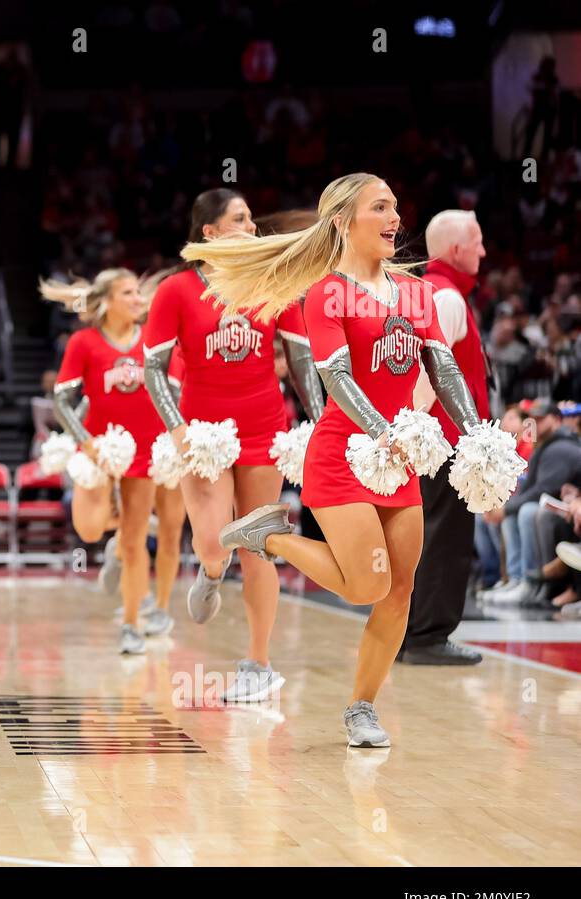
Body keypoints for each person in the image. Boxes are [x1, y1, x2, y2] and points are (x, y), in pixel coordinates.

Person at [191, 172, 488, 748]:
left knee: (401, 589)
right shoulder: (327, 292)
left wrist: (477, 433)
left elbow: (443, 369)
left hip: (396, 457)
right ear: (343, 223)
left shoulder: (417, 291)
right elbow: (336, 376)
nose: (395, 218)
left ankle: (361, 708)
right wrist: (382, 432)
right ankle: (266, 539)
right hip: (345, 454)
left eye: (396, 206)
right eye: (381, 207)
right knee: (365, 585)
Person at [143, 189, 324, 701]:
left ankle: (259, 663)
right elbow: (153, 368)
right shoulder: (177, 291)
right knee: (214, 541)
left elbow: (303, 360)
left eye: (249, 218)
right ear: (210, 233)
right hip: (204, 435)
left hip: (265, 426)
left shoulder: (274, 283)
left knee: (258, 544)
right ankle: (209, 569)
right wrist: (177, 425)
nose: (251, 227)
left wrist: (319, 421)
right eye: (239, 219)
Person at [42, 268, 167, 653]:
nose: (137, 298)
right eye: (127, 292)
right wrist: (86, 442)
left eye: (137, 292)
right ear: (107, 301)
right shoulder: (84, 342)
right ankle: (116, 527)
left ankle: (131, 625)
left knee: (134, 544)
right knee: (91, 530)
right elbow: (62, 400)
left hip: (144, 450)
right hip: (98, 449)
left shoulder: (152, 340)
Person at [399, 211, 490, 664]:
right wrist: (411, 430)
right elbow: (424, 373)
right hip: (445, 444)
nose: (484, 251)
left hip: (433, 442)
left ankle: (410, 633)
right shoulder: (447, 297)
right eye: (477, 242)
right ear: (455, 250)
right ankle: (428, 637)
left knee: (427, 537)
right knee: (445, 540)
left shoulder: (429, 292)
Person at [481, 400, 581, 606]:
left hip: (563, 507)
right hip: (565, 503)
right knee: (506, 515)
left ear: (556, 419)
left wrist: (506, 508)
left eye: (541, 418)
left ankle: (536, 582)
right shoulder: (544, 444)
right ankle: (515, 578)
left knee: (527, 512)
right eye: (532, 419)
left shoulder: (560, 446)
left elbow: (543, 490)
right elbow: (530, 488)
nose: (535, 423)